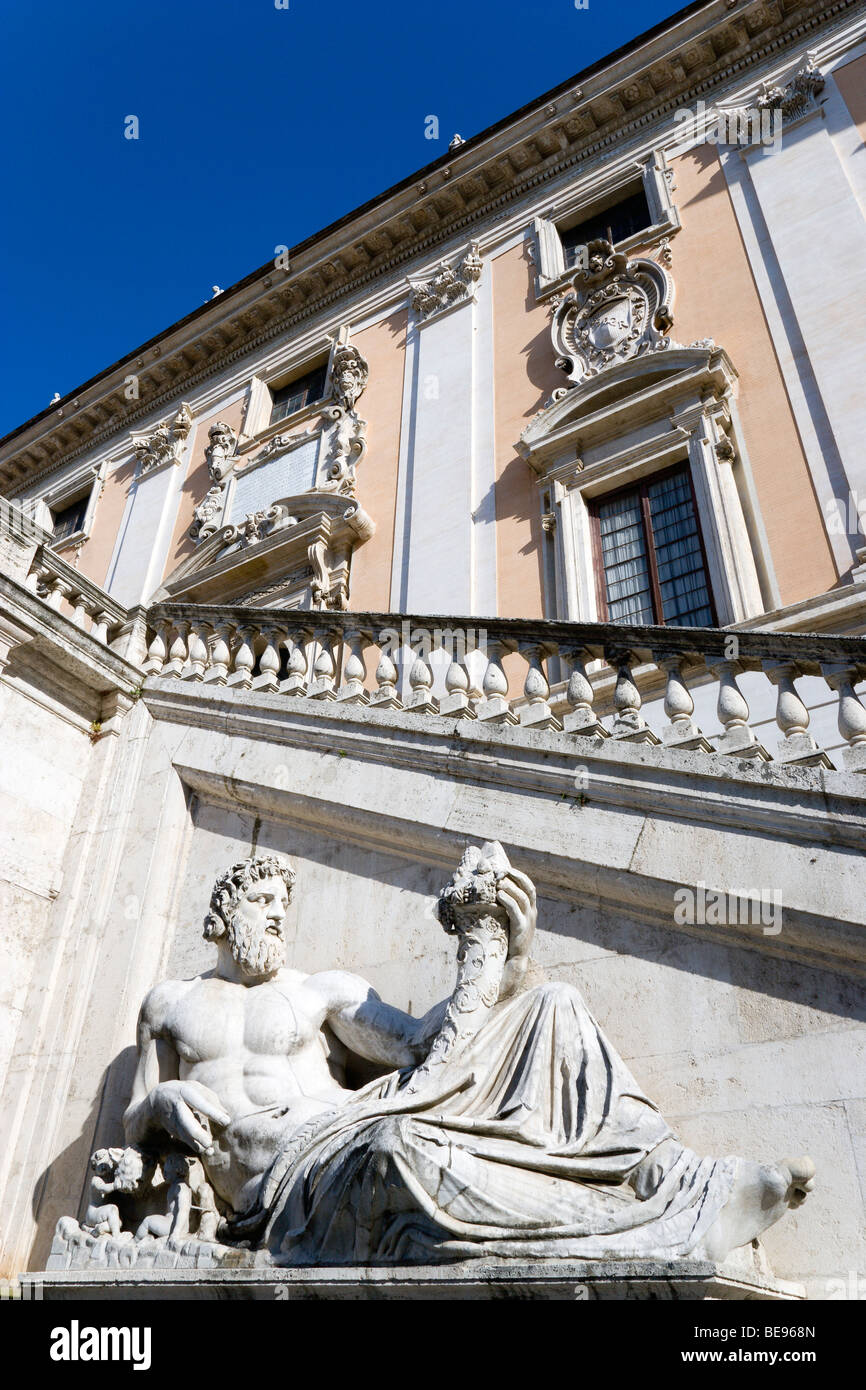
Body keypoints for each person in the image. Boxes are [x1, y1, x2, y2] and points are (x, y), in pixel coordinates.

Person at [123, 848, 814, 1264]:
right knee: (400, 1149)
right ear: (221, 916)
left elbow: (426, 1044)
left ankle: (674, 1180)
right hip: (280, 1172)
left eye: (283, 903)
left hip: (347, 1119)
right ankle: (638, 1230)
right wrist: (157, 1103)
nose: (277, 914)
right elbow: (132, 1120)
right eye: (263, 901)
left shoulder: (320, 992)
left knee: (554, 1004)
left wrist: (507, 949)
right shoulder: (169, 1003)